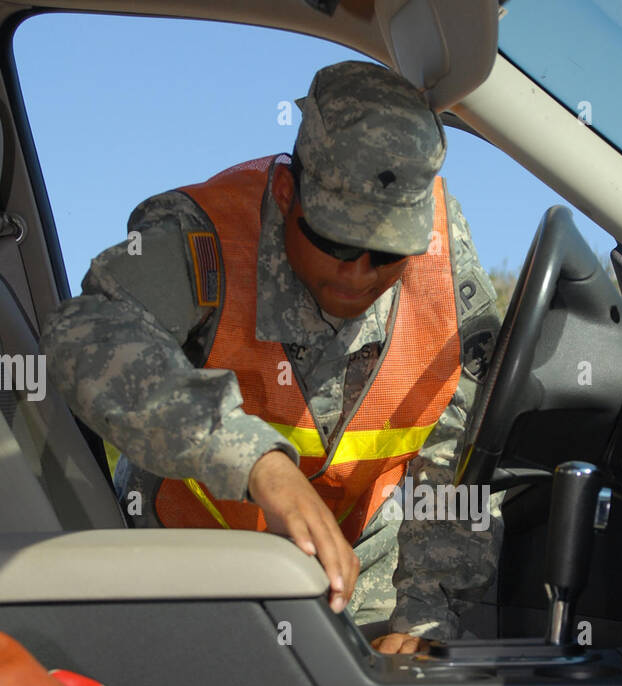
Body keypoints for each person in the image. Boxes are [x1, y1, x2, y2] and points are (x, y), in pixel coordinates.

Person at [41, 60, 504, 653]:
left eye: (387, 254)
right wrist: (255, 459)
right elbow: (87, 333)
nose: (359, 273)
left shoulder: (444, 264)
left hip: (359, 599)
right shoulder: (205, 235)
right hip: (189, 582)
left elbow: (458, 456)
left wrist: (423, 616)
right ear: (288, 194)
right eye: (335, 240)